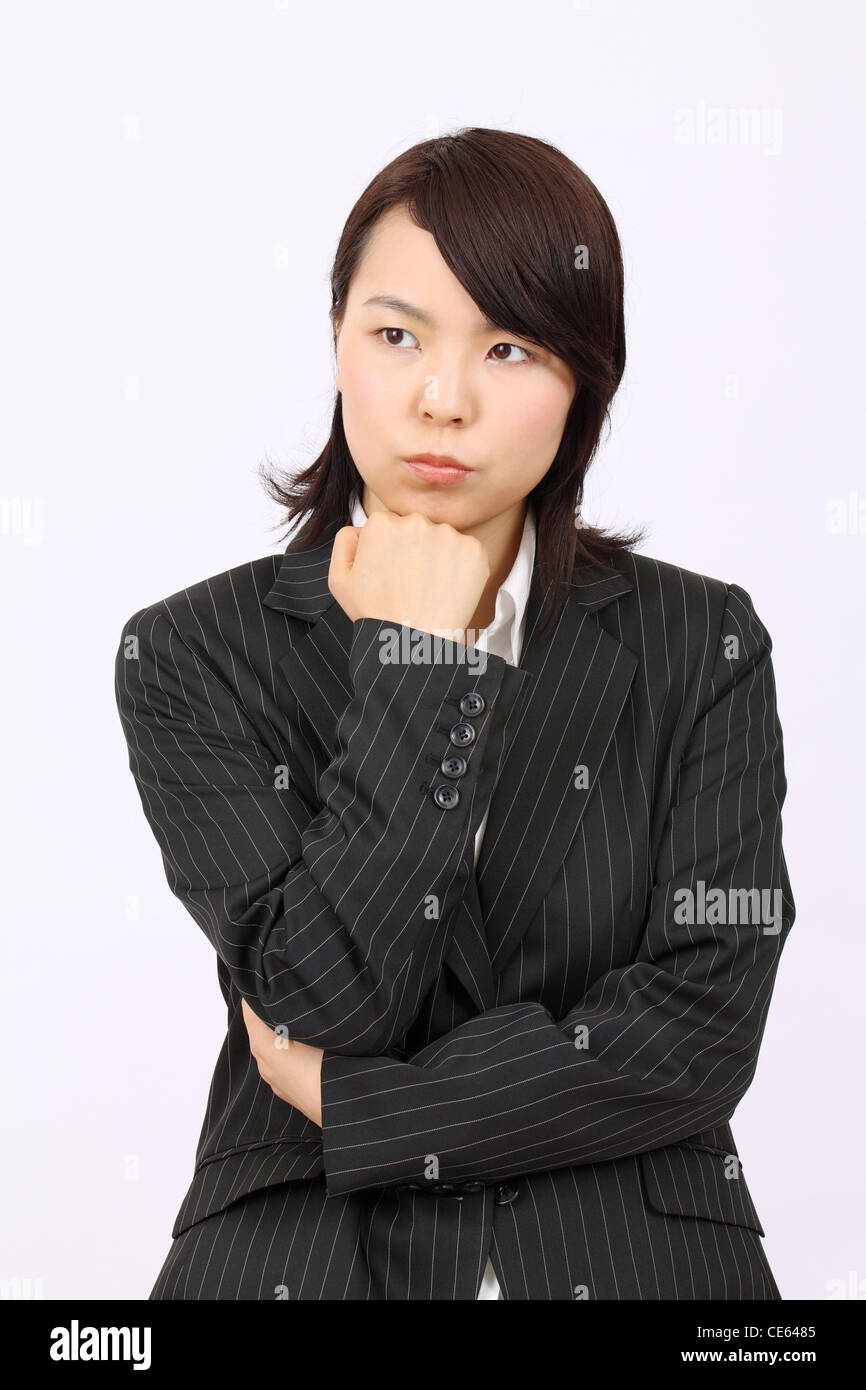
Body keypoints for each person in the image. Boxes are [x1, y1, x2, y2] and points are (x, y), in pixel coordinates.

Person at [115, 127, 794, 1300]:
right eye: (395, 334)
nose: (444, 397)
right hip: (306, 1256)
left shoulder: (701, 641)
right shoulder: (190, 653)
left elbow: (699, 1026)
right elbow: (325, 991)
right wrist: (417, 660)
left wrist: (367, 1099)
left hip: (632, 1258)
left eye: (511, 345)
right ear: (336, 343)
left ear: (585, 377)